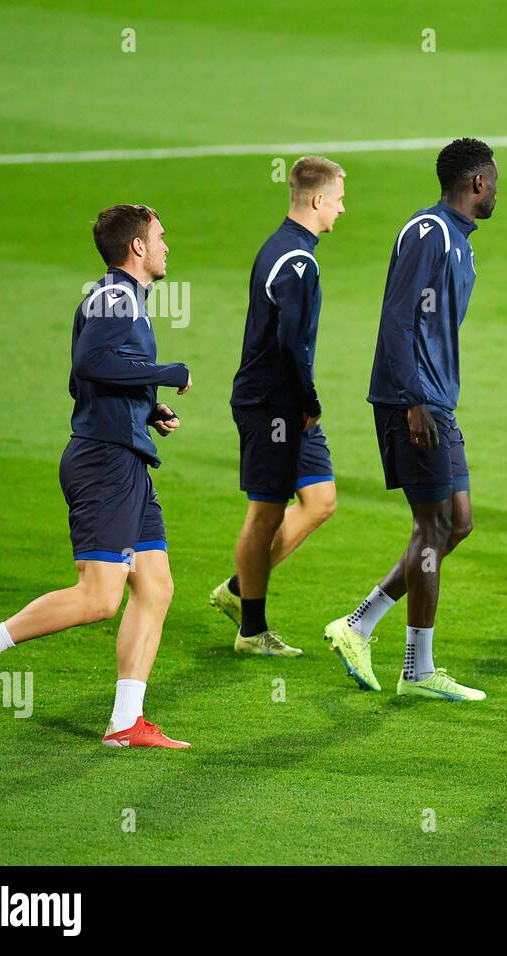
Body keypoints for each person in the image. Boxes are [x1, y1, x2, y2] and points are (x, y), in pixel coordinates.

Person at [0, 204, 193, 748]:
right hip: (104, 463)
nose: (167, 246)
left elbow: (88, 383)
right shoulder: (116, 298)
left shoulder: (120, 299)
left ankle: (125, 722)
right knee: (99, 597)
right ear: (138, 248)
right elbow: (91, 366)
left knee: (154, 586)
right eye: (160, 237)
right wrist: (167, 374)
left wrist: (147, 410)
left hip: (126, 457)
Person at [323, 138, 497, 702]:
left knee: (458, 522)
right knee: (432, 528)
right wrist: (413, 400)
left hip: (437, 399)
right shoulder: (430, 233)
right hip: (415, 403)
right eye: (492, 179)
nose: (496, 189)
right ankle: (417, 670)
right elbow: (396, 319)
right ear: (475, 183)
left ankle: (358, 625)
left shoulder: (462, 245)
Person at [213, 157, 346, 656]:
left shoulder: (283, 247)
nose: (341, 208)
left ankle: (237, 587)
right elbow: (291, 343)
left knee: (321, 501)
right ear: (316, 200)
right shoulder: (296, 261)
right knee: (265, 512)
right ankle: (251, 630)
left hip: (284, 402)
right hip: (273, 404)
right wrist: (308, 401)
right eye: (337, 199)